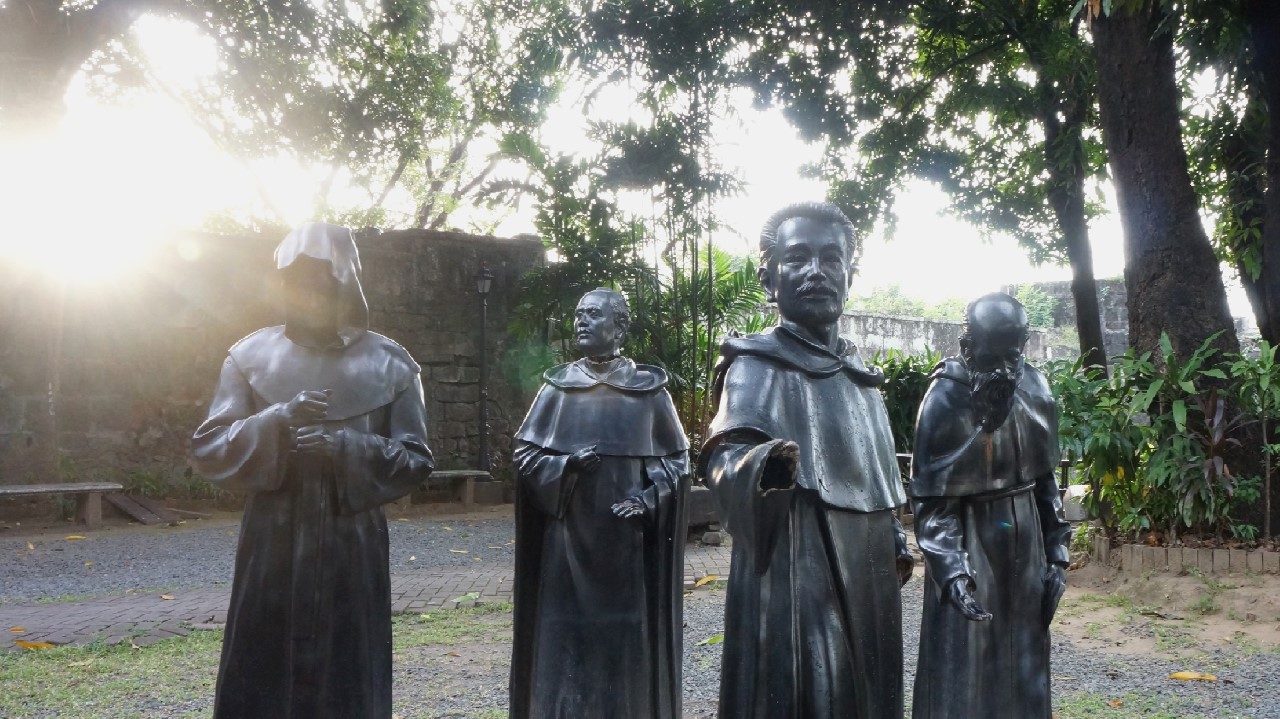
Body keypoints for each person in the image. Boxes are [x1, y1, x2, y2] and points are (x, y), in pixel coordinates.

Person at [191, 222, 434, 719]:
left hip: (352, 541)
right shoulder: (249, 357)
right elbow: (210, 446)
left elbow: (415, 459)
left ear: (345, 282)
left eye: (317, 278)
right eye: (293, 279)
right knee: (262, 657)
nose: (303, 290)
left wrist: (344, 447)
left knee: (349, 661)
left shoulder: (392, 365)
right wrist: (277, 420)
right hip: (271, 541)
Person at [700, 202, 912, 719]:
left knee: (870, 694)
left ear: (850, 274)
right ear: (768, 277)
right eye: (797, 258)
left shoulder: (863, 381)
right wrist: (763, 466)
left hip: (870, 573)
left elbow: (877, 481)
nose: (816, 272)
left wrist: (892, 535)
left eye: (831, 259)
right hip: (797, 564)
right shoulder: (754, 363)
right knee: (813, 690)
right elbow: (722, 461)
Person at [509, 288, 690, 719]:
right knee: (565, 639)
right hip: (566, 546)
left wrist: (648, 500)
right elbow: (524, 456)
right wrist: (566, 465)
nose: (582, 322)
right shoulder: (557, 389)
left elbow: (679, 462)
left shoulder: (650, 391)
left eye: (593, 314)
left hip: (627, 549)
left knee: (625, 645)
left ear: (620, 325)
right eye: (578, 315)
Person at [909, 292, 1070, 719]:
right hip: (969, 537)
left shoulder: (1035, 386)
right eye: (991, 357)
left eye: (1012, 356)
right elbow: (931, 506)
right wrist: (952, 570)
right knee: (967, 659)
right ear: (967, 347)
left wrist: (1057, 554)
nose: (1003, 370)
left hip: (1027, 537)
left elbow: (1046, 483)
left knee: (1025, 658)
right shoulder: (942, 400)